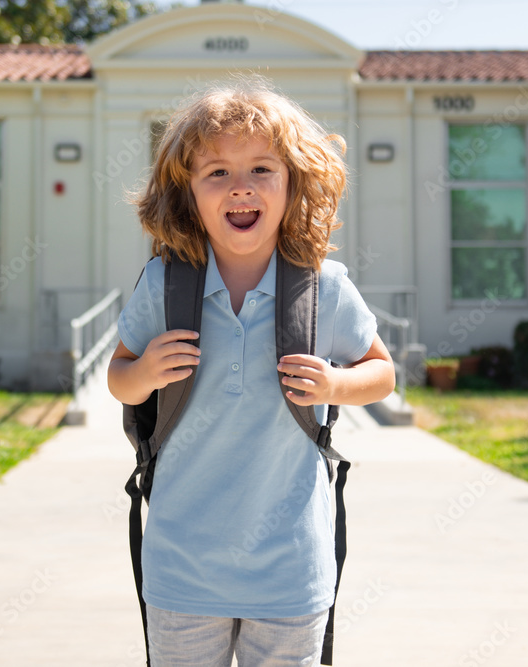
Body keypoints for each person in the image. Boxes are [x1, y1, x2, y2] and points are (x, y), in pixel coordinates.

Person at [107, 79, 395, 667]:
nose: (240, 186)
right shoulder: (164, 285)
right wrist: (147, 372)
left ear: (294, 183)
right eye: (217, 172)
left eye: (262, 168)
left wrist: (336, 385)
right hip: (182, 572)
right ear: (187, 194)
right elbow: (119, 375)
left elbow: (382, 374)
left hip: (290, 571)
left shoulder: (325, 288)